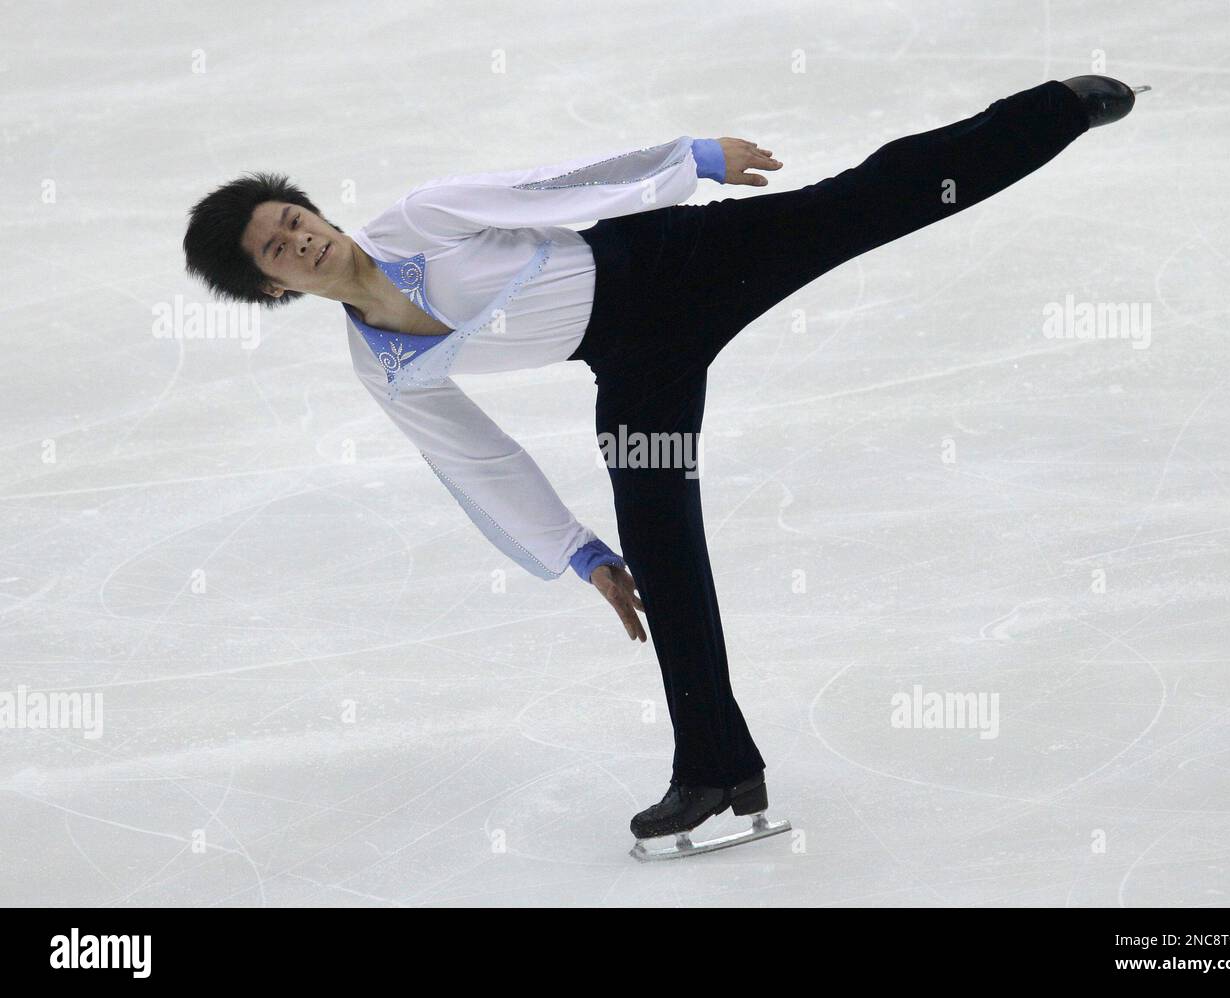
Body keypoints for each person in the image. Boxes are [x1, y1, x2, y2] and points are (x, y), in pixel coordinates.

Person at [182, 75, 1146, 851]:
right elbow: (476, 456)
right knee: (660, 556)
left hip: (676, 260)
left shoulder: (422, 218)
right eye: (278, 247)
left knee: (870, 200)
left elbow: (554, 190)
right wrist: (577, 552)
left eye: (292, 217)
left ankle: (1053, 110)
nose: (300, 236)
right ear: (273, 286)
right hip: (639, 367)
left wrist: (686, 163)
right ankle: (716, 769)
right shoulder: (382, 364)